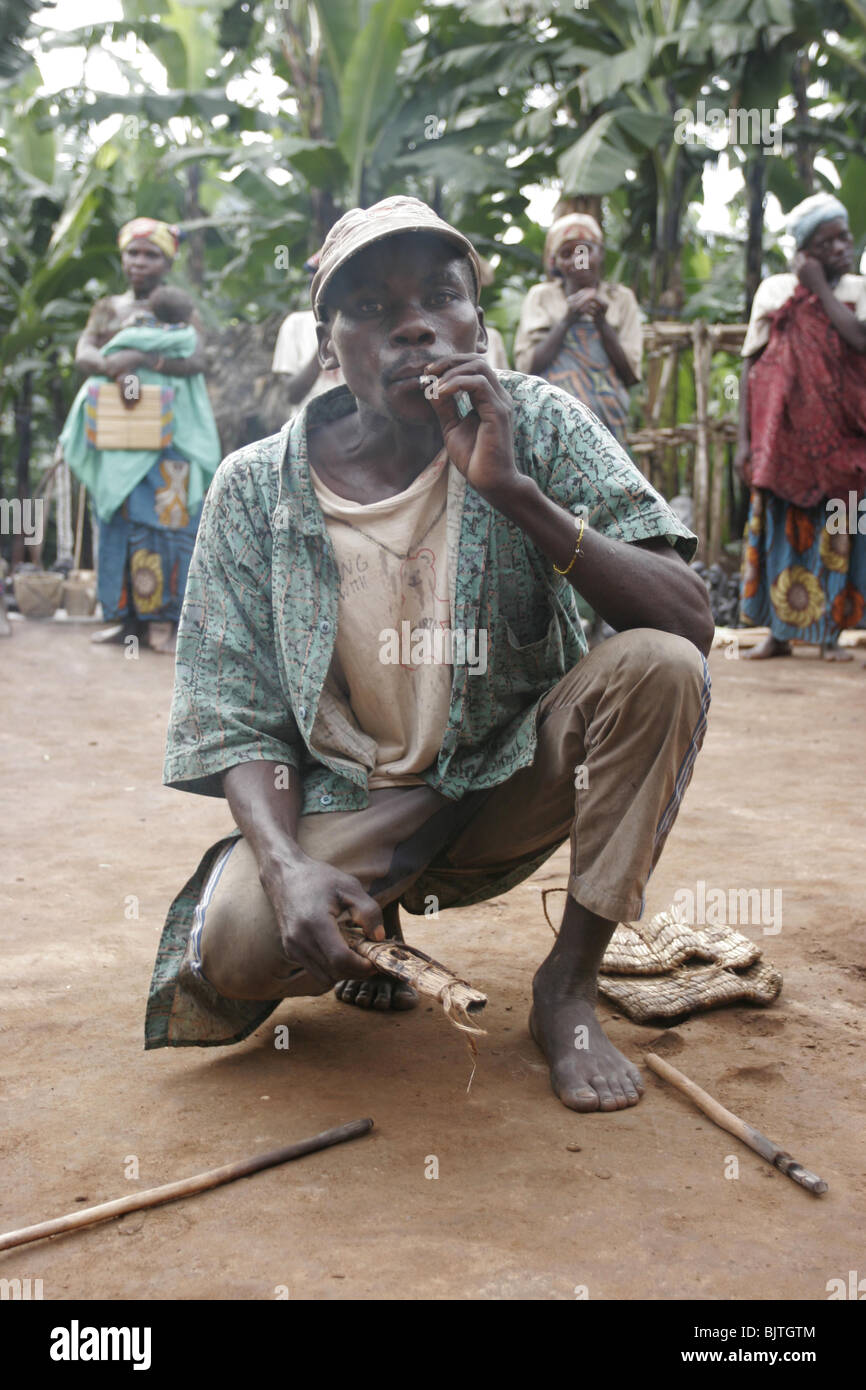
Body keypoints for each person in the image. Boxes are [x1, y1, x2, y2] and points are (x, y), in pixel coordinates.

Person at [146, 196, 713, 1117]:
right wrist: (287, 865)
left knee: (660, 666)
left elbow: (687, 616)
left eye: (441, 297)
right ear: (330, 343)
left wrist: (516, 491)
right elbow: (233, 712)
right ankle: (379, 917)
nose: (414, 324)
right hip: (360, 798)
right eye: (371, 307)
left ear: (477, 324)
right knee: (243, 950)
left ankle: (566, 985)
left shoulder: (538, 422)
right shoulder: (255, 488)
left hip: (509, 767)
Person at [71, 218, 221, 655]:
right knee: (119, 521)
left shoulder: (180, 308)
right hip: (118, 432)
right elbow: (83, 351)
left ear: (166, 261)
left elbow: (196, 360)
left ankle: (175, 626)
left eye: (150, 254)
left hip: (170, 433)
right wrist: (111, 366)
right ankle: (129, 625)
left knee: (171, 520)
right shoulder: (106, 308)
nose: (139, 262)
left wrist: (140, 355)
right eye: (133, 253)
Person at [736, 193, 866, 661]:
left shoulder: (857, 290)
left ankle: (830, 633)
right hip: (783, 441)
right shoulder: (774, 291)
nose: (842, 248)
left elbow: (858, 339)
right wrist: (744, 441)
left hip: (842, 442)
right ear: (806, 249)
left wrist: (818, 288)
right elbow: (753, 368)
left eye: (845, 237)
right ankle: (778, 633)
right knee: (779, 532)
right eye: (828, 241)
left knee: (838, 533)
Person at [513, 213, 642, 444]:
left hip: (608, 429)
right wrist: (567, 321)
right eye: (566, 254)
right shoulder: (541, 296)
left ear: (600, 254)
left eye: (584, 251)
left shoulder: (621, 298)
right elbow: (527, 367)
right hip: (552, 428)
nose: (577, 260)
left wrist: (602, 323)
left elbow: (631, 374)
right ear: (555, 263)